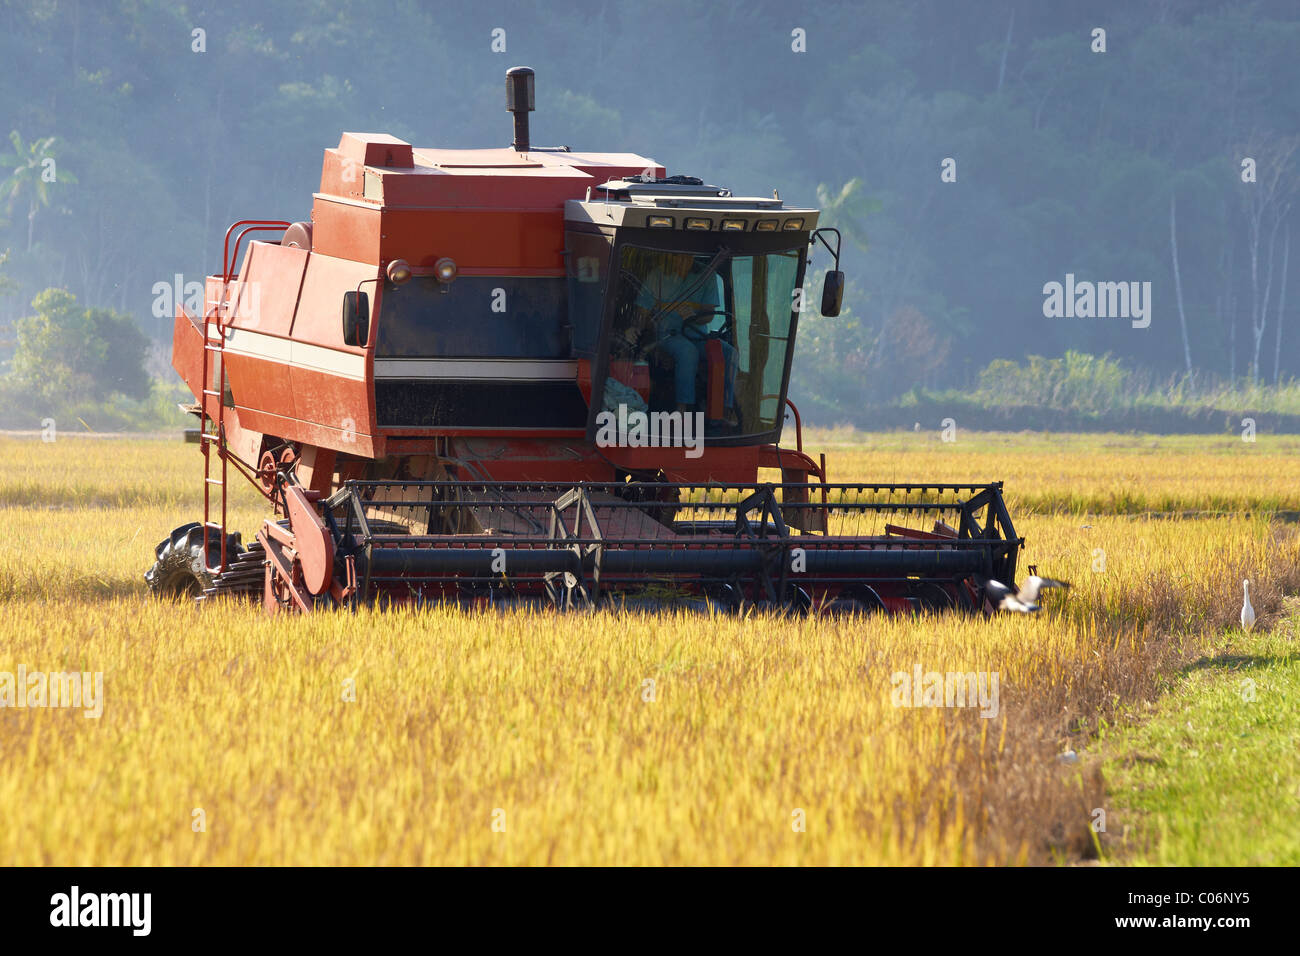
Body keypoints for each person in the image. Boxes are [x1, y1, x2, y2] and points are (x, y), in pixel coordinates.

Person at [631, 254, 739, 425]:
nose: (682, 261)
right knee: (687, 352)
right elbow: (642, 311)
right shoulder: (656, 276)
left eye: (687, 257)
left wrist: (695, 316)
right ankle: (682, 412)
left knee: (729, 353)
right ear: (670, 256)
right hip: (667, 335)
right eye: (678, 257)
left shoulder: (706, 276)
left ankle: (725, 411)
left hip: (698, 335)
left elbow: (708, 315)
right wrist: (635, 328)